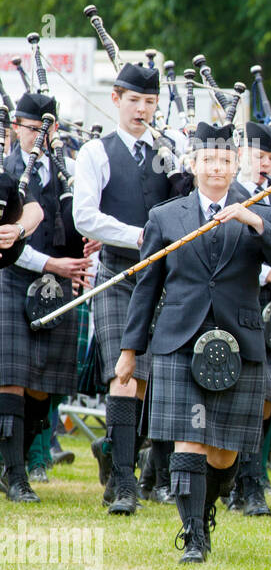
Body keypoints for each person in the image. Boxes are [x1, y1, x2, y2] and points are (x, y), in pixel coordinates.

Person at [117, 121, 271, 562]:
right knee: (188, 439)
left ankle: (204, 511)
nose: (216, 168)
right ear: (193, 163)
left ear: (236, 163)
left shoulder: (259, 210)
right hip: (179, 339)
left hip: (238, 342)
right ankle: (193, 535)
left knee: (222, 456)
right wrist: (130, 350)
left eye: (225, 160)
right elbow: (147, 286)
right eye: (208, 160)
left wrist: (254, 220)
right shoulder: (166, 216)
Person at [73, 63, 185, 515]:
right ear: (116, 99)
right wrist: (139, 235)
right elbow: (85, 216)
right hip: (118, 273)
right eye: (134, 100)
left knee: (150, 382)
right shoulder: (94, 153)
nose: (142, 109)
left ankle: (117, 454)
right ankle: (123, 483)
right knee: (125, 374)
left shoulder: (169, 152)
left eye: (150, 101)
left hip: (162, 278)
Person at [0, 92, 73, 503]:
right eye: (31, 128)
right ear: (16, 129)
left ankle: (21, 461)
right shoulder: (6, 170)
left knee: (43, 385)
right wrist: (52, 264)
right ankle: (14, 475)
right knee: (11, 379)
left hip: (54, 289)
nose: (39, 135)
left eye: (46, 128)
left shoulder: (63, 172)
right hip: (11, 280)